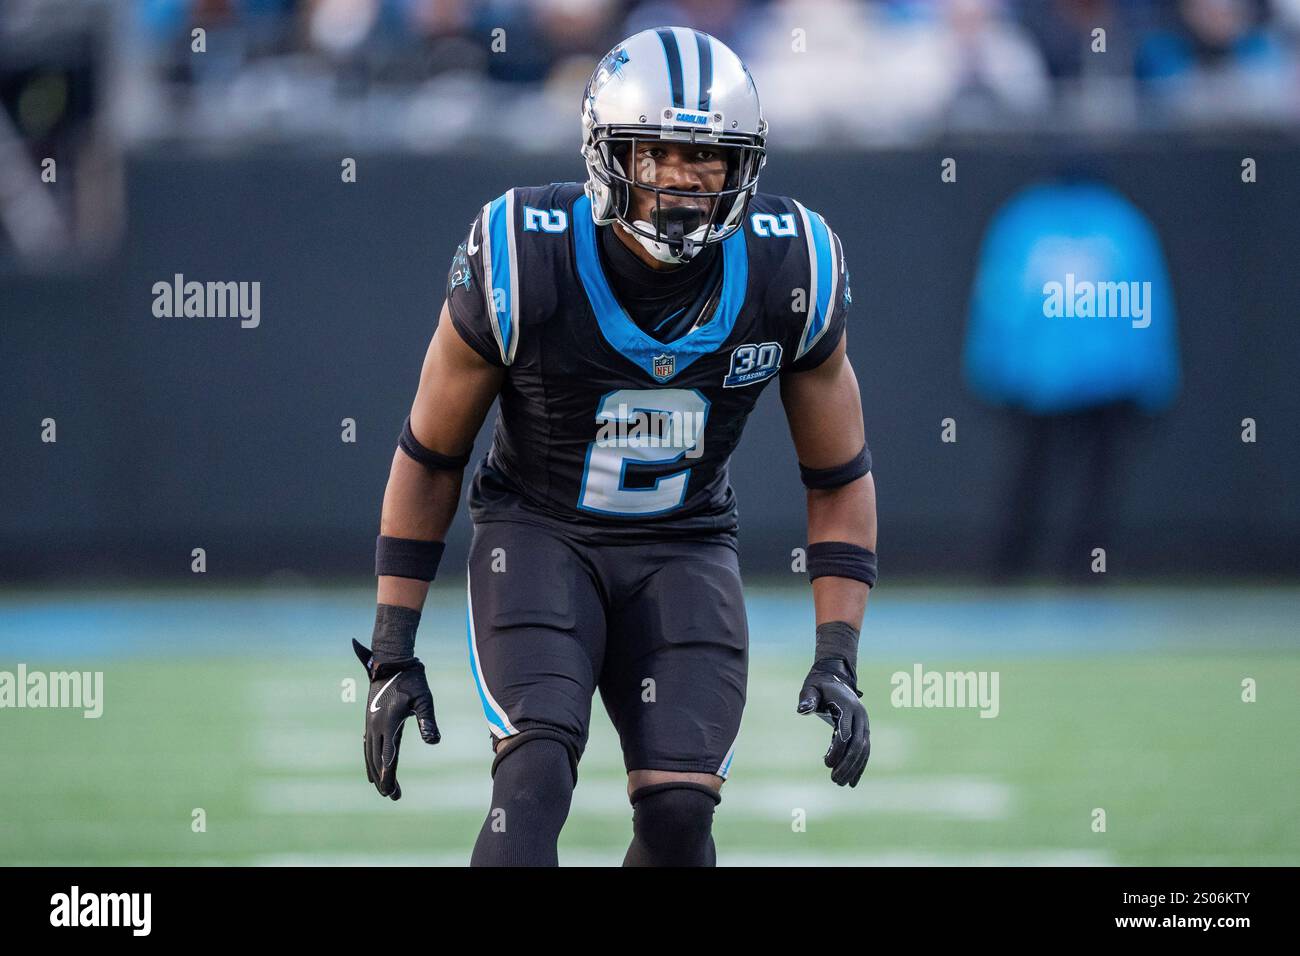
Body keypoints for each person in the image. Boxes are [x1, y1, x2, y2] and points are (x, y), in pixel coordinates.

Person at [353, 27, 877, 866]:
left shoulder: (793, 267)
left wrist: (838, 655)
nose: (680, 177)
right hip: (537, 534)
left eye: (708, 156)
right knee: (531, 785)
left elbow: (839, 475)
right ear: (607, 152)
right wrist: (390, 650)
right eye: (656, 151)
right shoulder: (526, 252)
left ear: (744, 168)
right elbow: (430, 455)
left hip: (684, 544)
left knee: (679, 818)